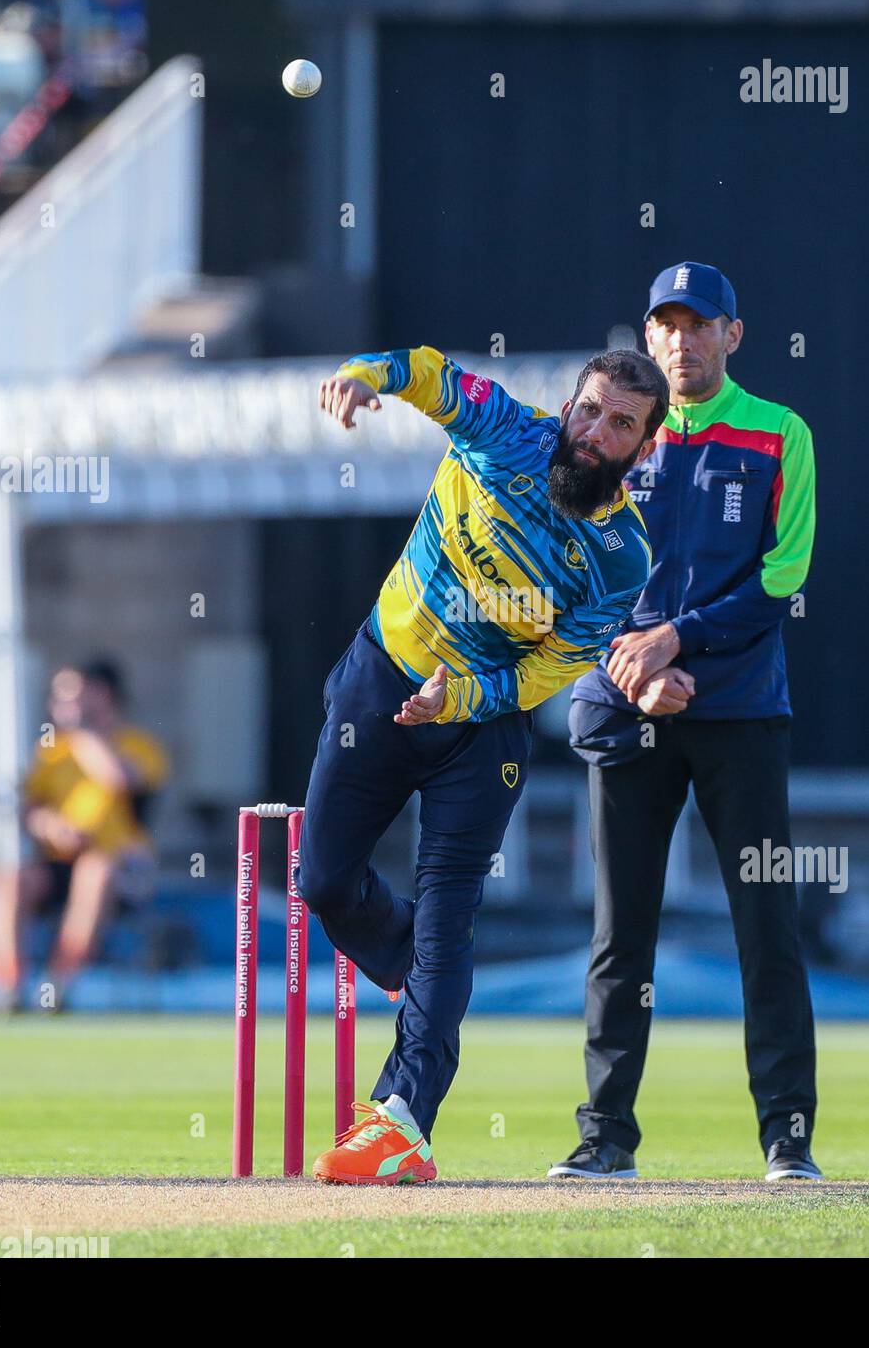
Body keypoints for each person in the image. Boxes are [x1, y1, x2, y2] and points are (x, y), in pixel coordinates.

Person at [298, 344, 665, 1185]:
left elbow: (545, 672)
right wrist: (368, 375)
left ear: (642, 451)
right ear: (567, 405)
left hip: (482, 725)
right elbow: (428, 372)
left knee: (448, 914)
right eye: (589, 409)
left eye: (620, 426)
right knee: (321, 880)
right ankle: (413, 969)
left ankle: (402, 1122)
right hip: (381, 675)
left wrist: (455, 698)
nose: (594, 433)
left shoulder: (623, 560)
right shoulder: (508, 430)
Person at [550, 262, 821, 1182]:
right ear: (647, 334)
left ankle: (787, 1139)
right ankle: (603, 1141)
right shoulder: (620, 433)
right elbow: (573, 574)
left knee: (766, 926)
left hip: (742, 713)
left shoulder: (782, 434)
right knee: (620, 935)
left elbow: (781, 577)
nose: (681, 341)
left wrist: (676, 643)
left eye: (699, 324)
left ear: (732, 335)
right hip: (633, 715)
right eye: (666, 325)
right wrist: (636, 673)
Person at [0, 658, 168, 1012]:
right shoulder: (52, 752)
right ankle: (7, 987)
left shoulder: (140, 745)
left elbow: (119, 779)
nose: (62, 705)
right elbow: (29, 810)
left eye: (75, 695)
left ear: (102, 695)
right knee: (10, 880)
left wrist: (82, 733)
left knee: (94, 872)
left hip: (121, 866)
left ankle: (58, 986)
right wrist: (50, 826)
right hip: (58, 861)